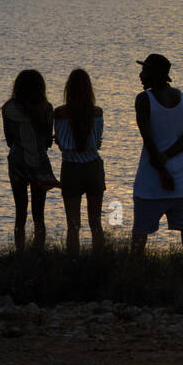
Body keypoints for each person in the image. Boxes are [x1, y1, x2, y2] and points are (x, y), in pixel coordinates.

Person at [131, 53, 183, 257]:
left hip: (150, 182)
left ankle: (133, 269)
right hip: (180, 181)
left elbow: (148, 140)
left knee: (140, 234)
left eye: (144, 71)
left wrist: (161, 169)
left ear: (156, 74)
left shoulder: (144, 99)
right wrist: (168, 158)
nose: (140, 76)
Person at [2, 69, 59, 253]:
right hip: (38, 163)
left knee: (20, 212)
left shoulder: (8, 108)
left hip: (17, 162)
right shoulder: (47, 108)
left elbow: (9, 140)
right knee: (38, 214)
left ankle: (20, 252)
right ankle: (38, 251)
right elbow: (48, 142)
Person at [55, 68, 106, 254]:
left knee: (73, 224)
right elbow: (97, 142)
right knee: (96, 222)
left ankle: (73, 261)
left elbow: (61, 143)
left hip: (70, 168)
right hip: (93, 166)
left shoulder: (59, 113)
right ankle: (98, 260)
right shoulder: (97, 112)